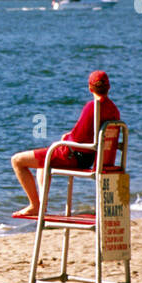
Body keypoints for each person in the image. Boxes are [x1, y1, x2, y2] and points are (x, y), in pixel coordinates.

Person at [12, 69, 121, 218]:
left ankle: (35, 205)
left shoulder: (93, 106)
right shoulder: (114, 110)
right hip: (90, 157)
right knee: (43, 163)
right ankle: (41, 205)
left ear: (90, 88)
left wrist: (65, 138)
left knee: (17, 160)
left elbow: (77, 138)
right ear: (109, 87)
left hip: (75, 156)